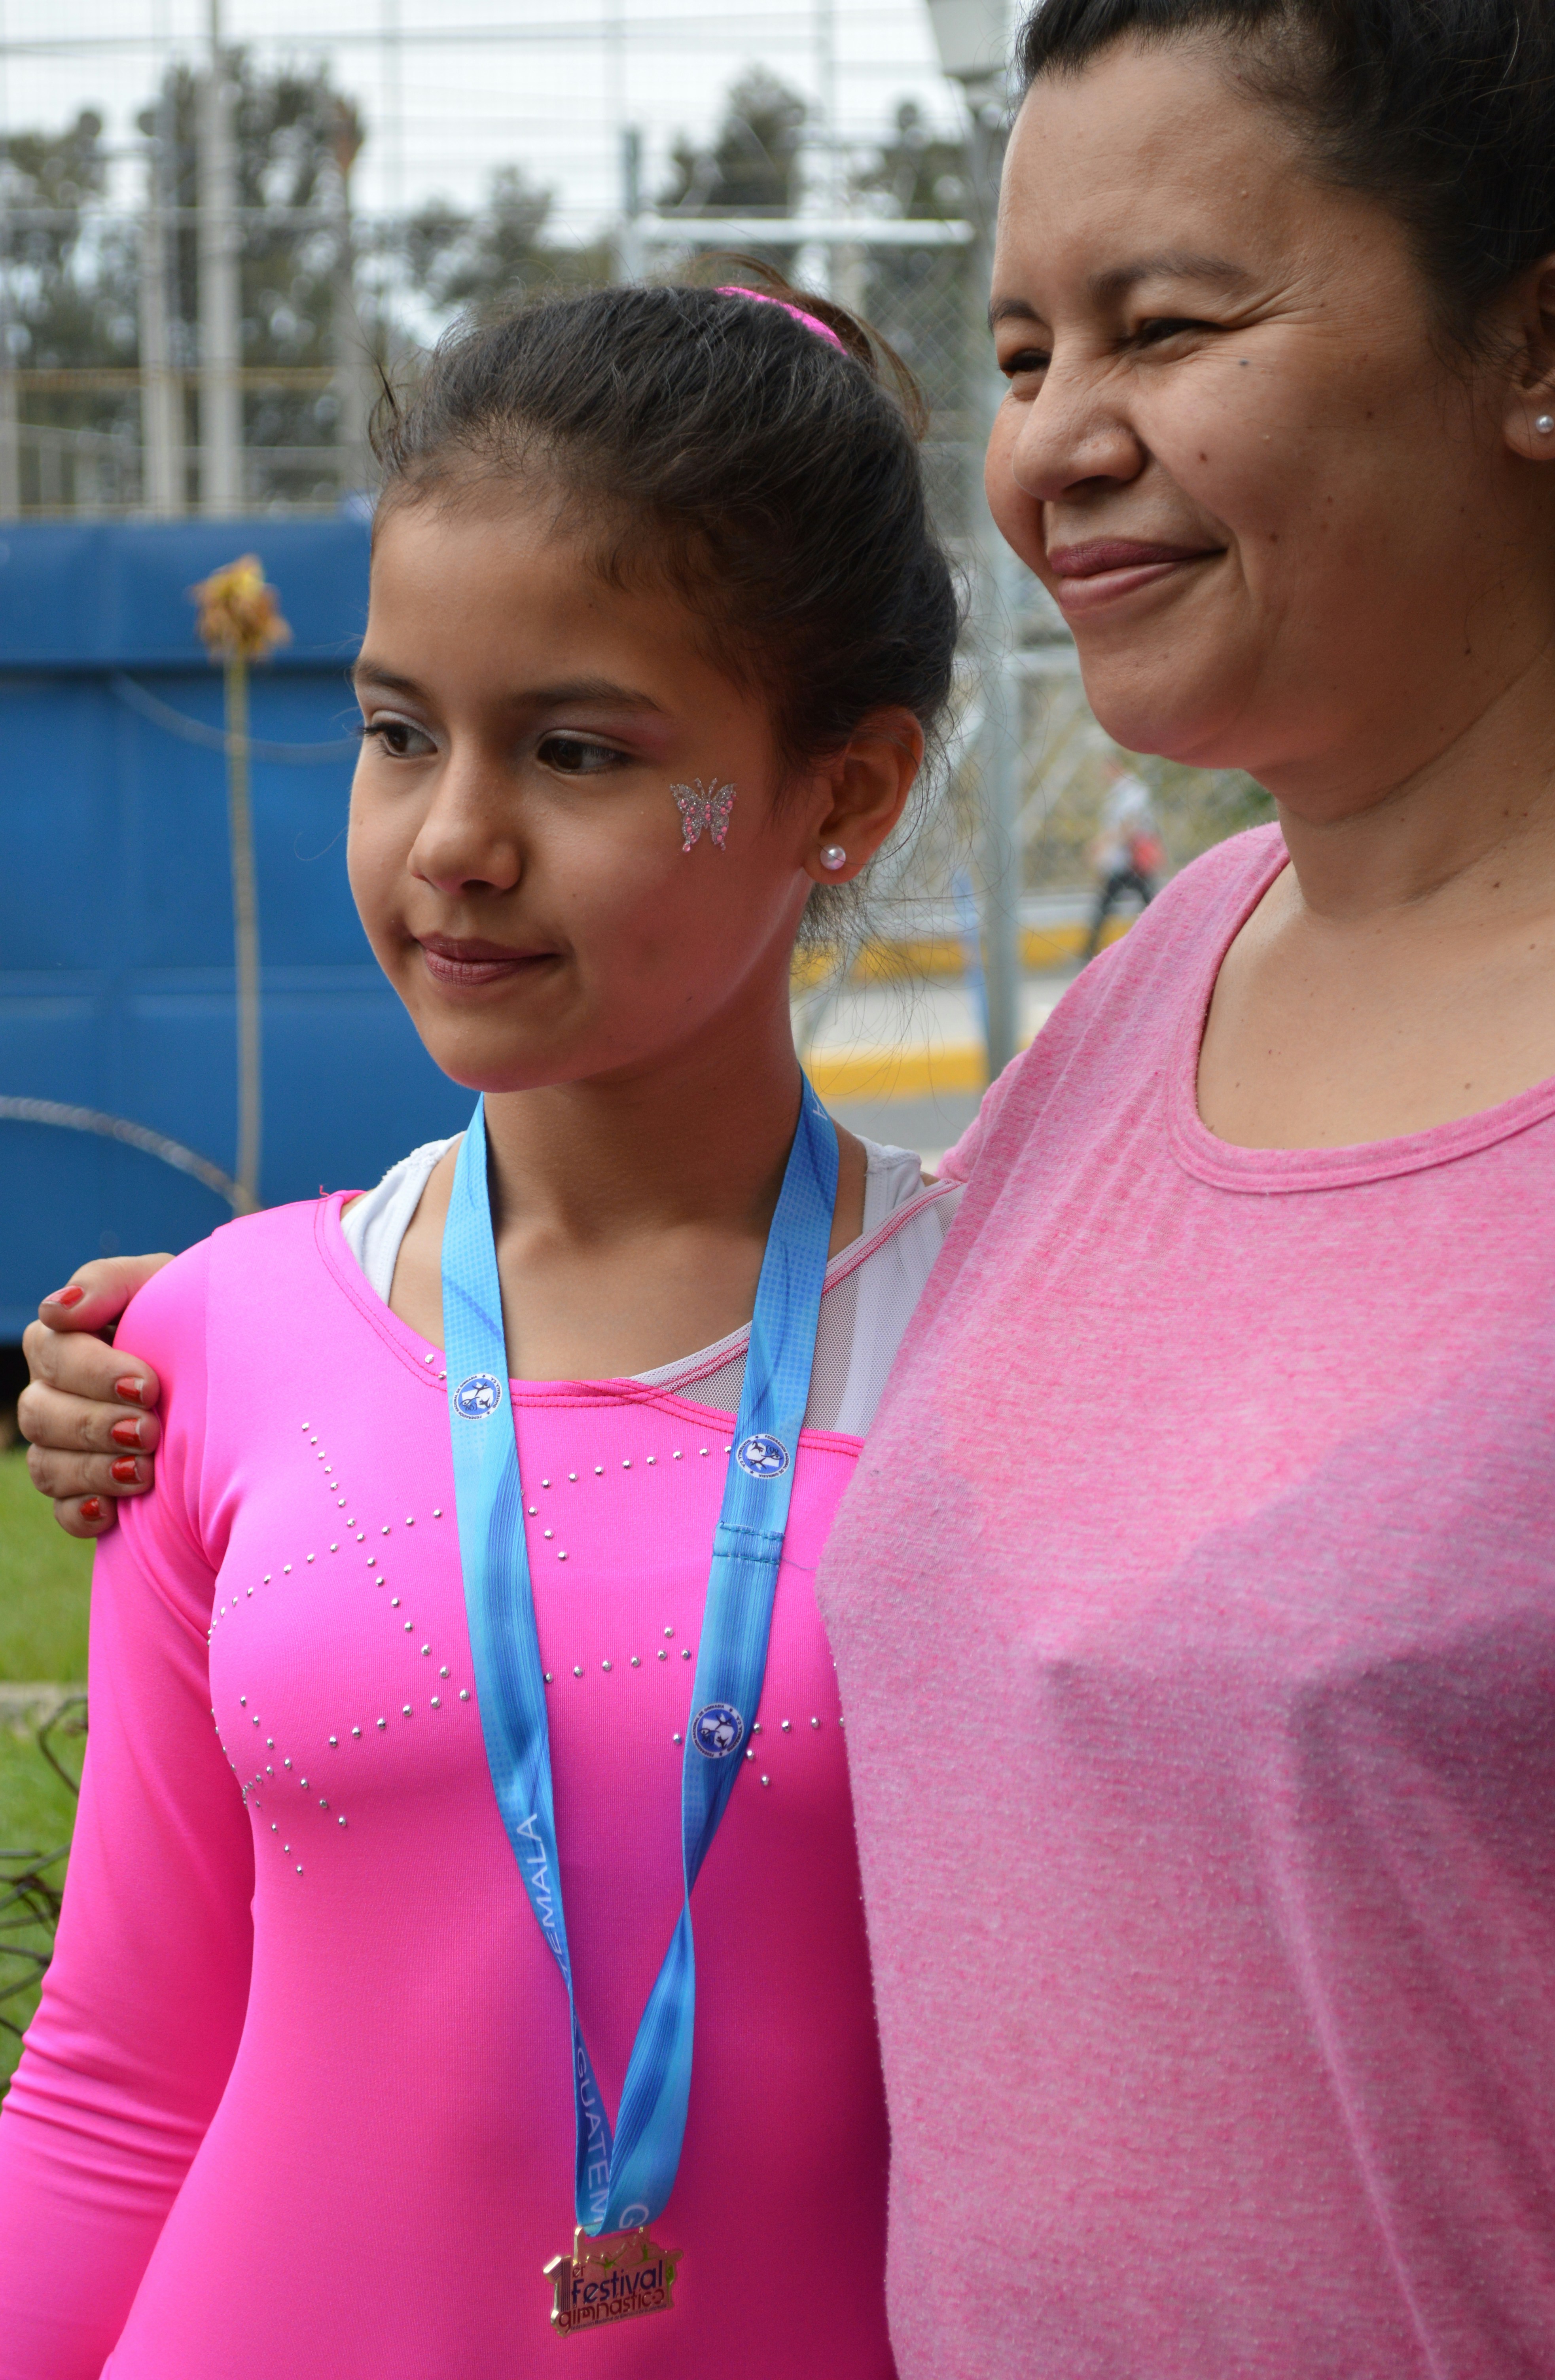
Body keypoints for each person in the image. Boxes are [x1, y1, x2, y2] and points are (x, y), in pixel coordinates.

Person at [25, 1, 1555, 2373]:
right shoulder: (1150, 1015)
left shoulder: (990, 1268)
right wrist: (208, 1345)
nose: (1058, 435)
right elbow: (120, 2081)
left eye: (574, 750)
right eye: (1027, 347)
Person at [0, 275, 961, 2379]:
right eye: (400, 730)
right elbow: (122, 2066)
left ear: (845, 794)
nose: (456, 840)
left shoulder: (1010, 1345)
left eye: (581, 751)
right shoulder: (231, 1337)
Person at [1081, 755, 1162, 959]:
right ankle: (1088, 950)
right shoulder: (1117, 793)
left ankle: (1160, 941)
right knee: (1111, 905)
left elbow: (1129, 825)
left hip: (1132, 860)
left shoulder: (1134, 791)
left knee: (1148, 904)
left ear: (1116, 766)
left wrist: (1102, 844)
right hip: (1120, 862)